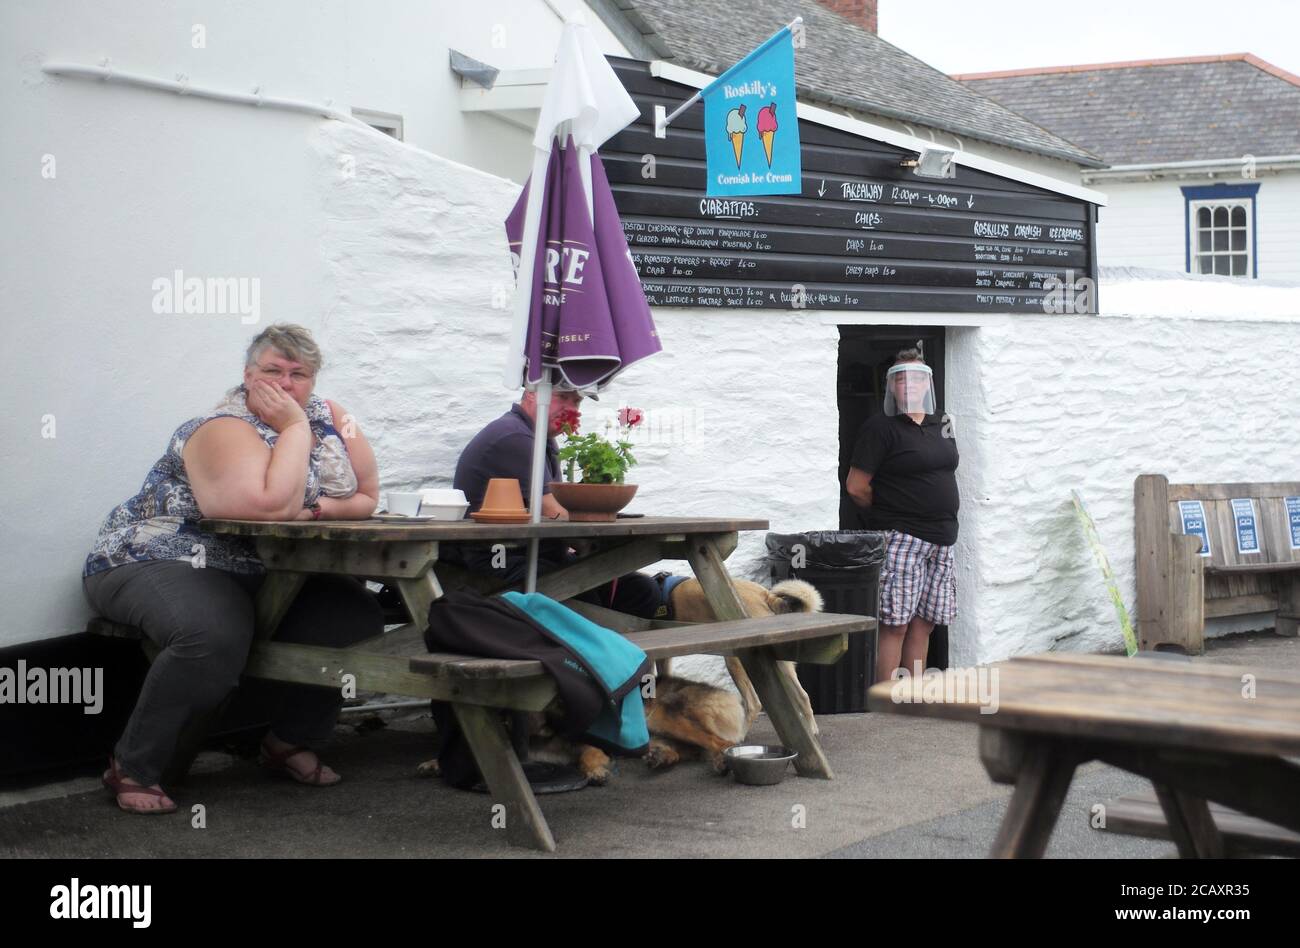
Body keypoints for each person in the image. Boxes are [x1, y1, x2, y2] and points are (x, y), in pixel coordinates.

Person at [83, 324, 383, 813]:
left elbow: (368, 496)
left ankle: (287, 740)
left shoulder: (332, 419)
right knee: (210, 634)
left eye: (299, 374)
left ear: (314, 380)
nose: (285, 385)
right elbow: (260, 509)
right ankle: (134, 765)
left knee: (354, 616)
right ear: (248, 375)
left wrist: (318, 510)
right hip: (162, 554)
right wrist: (293, 430)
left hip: (259, 566)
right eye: (272, 371)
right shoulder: (222, 427)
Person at [450, 388, 660, 618]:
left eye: (577, 401)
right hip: (497, 557)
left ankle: (613, 651)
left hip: (534, 554)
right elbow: (553, 512)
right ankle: (592, 652)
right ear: (531, 394)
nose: (570, 408)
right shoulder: (514, 436)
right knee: (584, 596)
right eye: (562, 397)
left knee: (641, 591)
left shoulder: (542, 439)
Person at [845, 349, 959, 684]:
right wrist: (888, 515)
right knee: (896, 621)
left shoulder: (944, 423)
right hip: (903, 537)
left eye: (916, 377)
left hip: (944, 537)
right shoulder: (880, 427)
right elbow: (856, 487)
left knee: (926, 621)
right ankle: (886, 698)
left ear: (928, 383)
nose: (908, 385)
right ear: (891, 386)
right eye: (900, 379)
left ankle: (914, 694)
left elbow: (946, 469)